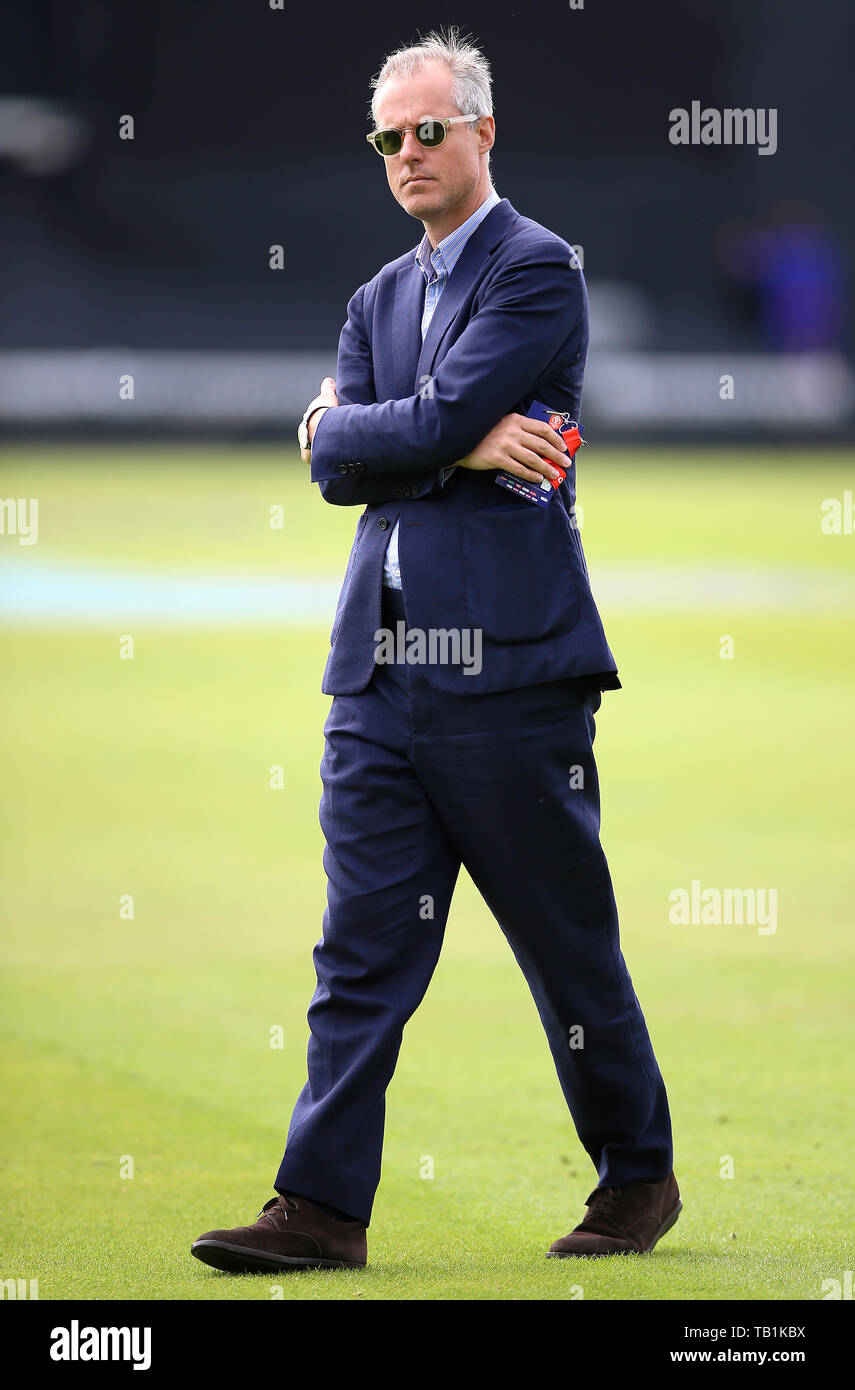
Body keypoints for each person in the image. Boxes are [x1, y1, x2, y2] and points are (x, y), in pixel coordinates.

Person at [191, 27, 679, 1275]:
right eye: (387, 137)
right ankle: (320, 1211)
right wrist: (433, 440)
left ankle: (638, 1177)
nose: (407, 153)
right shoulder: (374, 297)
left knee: (565, 946)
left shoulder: (537, 270)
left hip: (511, 677)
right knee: (358, 955)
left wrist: (378, 429)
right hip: (378, 680)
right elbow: (345, 461)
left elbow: (388, 428)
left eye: (429, 129)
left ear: (482, 132)